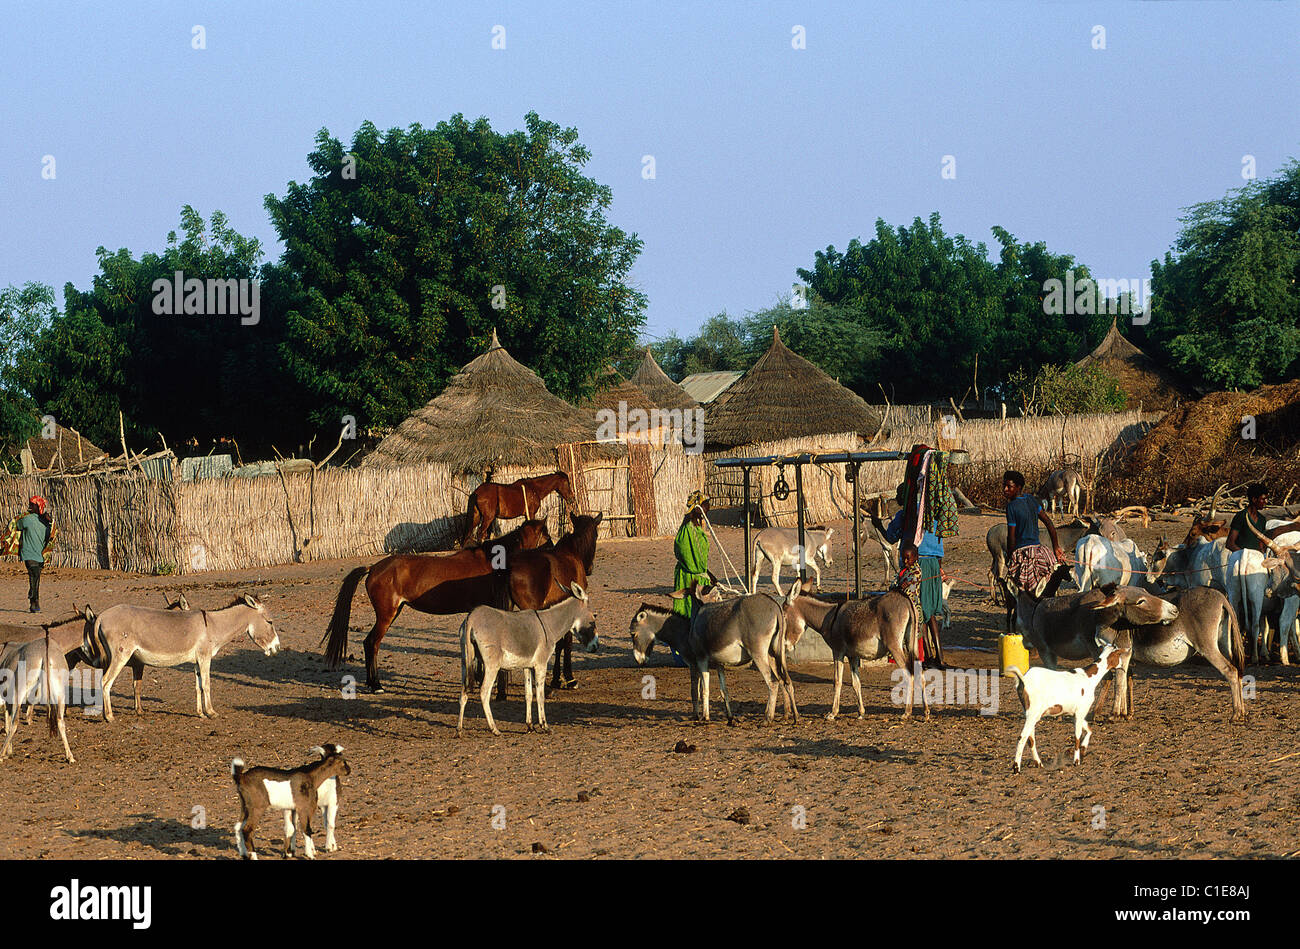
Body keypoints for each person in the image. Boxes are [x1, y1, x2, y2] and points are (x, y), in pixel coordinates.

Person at [873, 483, 946, 668]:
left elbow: (890, 538)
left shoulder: (904, 516)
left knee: (917, 611)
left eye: (899, 495)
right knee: (930, 615)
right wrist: (938, 569)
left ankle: (928, 657)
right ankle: (940, 657)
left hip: (917, 563)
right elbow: (939, 545)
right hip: (934, 565)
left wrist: (877, 525)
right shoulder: (931, 516)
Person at [1003, 470, 1065, 593]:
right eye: (1004, 486)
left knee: (1020, 591)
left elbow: (1011, 536)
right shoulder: (1031, 499)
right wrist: (1056, 547)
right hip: (1039, 551)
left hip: (1023, 553)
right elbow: (1049, 523)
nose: (1005, 489)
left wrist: (1010, 555)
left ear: (1018, 487)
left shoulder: (1011, 506)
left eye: (1009, 486)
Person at [670, 492, 710, 665]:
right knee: (690, 612)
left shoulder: (694, 530)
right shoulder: (689, 533)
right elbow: (694, 560)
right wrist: (701, 574)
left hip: (694, 576)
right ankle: (688, 652)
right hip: (691, 579)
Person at [1225, 484, 1300, 552]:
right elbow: (1230, 544)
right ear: (1254, 499)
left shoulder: (1262, 519)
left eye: (1266, 499)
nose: (1266, 502)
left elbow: (1261, 544)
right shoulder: (1240, 516)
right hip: (1239, 558)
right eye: (1263, 499)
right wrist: (1244, 554)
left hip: (1255, 559)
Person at [17, 495, 52, 613]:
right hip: (34, 553)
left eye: (32, 505)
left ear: (37, 507)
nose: (29, 506)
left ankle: (33, 600)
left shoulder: (27, 519)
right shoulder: (46, 523)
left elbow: (17, 525)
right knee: (35, 575)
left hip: (33, 553)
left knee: (35, 577)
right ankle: (34, 601)